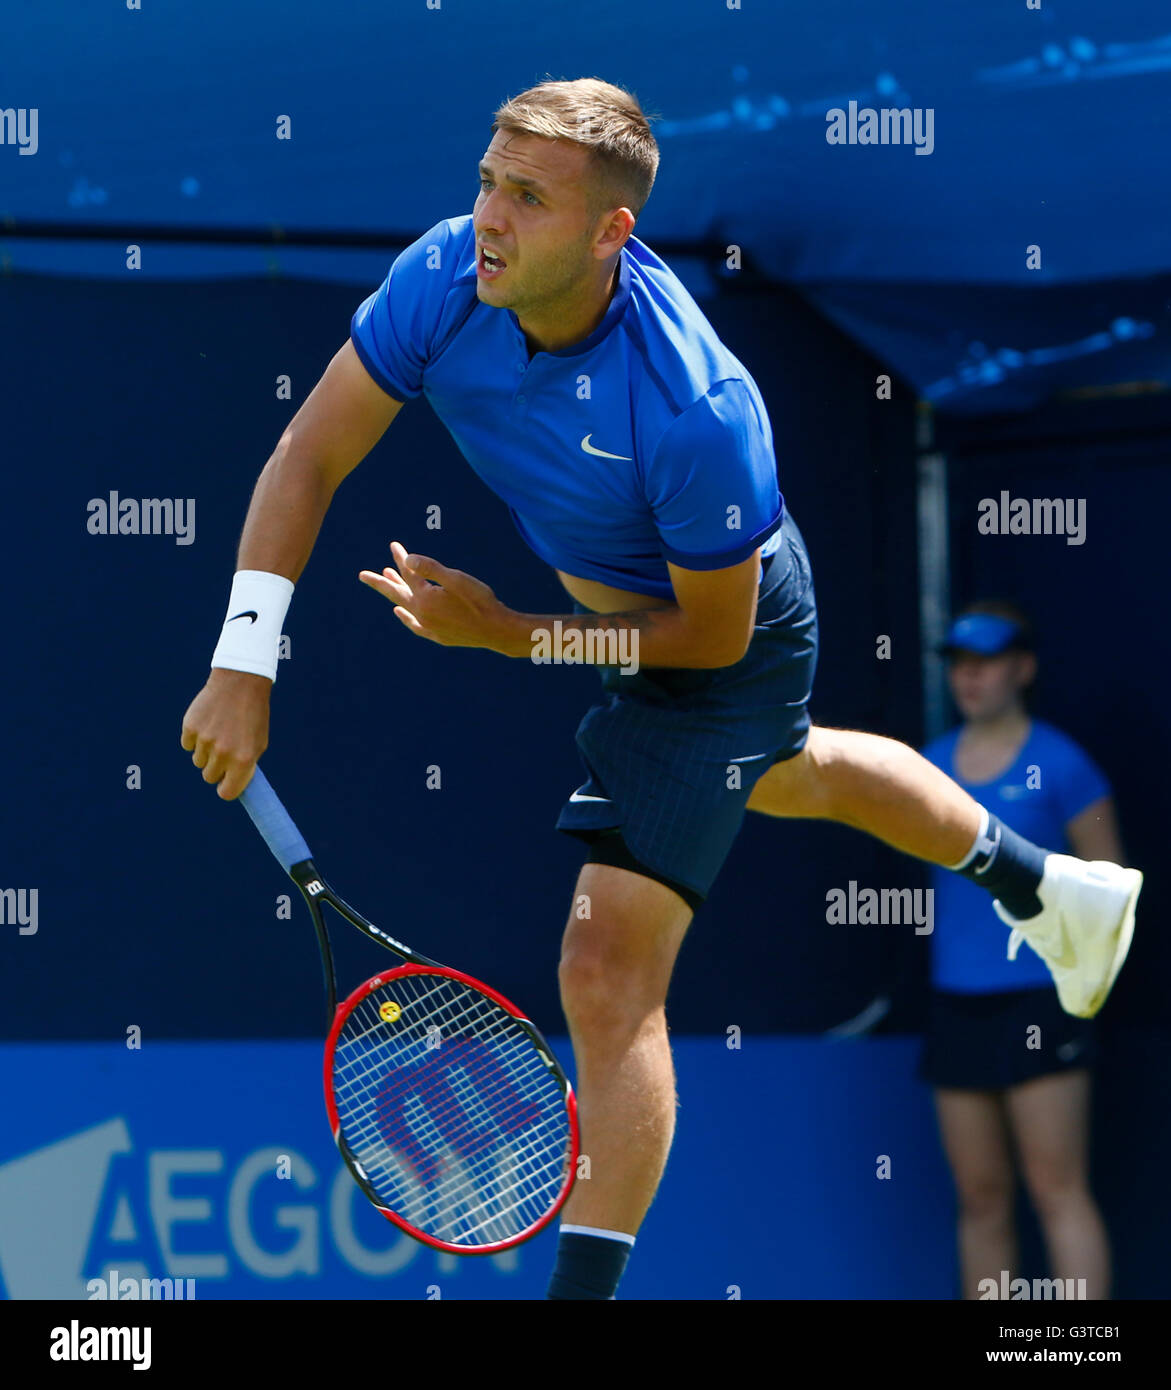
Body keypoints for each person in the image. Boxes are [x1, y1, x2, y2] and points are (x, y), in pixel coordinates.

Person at [180, 77, 1141, 1301]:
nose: (488, 217)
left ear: (607, 233)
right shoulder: (440, 278)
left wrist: (510, 637)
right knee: (789, 772)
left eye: (527, 199)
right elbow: (306, 452)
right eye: (486, 180)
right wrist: (242, 663)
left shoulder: (695, 408)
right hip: (639, 623)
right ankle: (1051, 885)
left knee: (606, 968)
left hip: (720, 628)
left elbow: (702, 643)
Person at [920, 602, 1124, 1300]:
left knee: (1056, 1186)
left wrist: (1080, 986)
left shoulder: (1063, 764)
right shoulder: (925, 768)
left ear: (1023, 668)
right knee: (979, 1196)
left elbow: (1112, 888)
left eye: (987, 662)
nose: (970, 678)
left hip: (1043, 1000)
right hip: (955, 1002)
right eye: (959, 664)